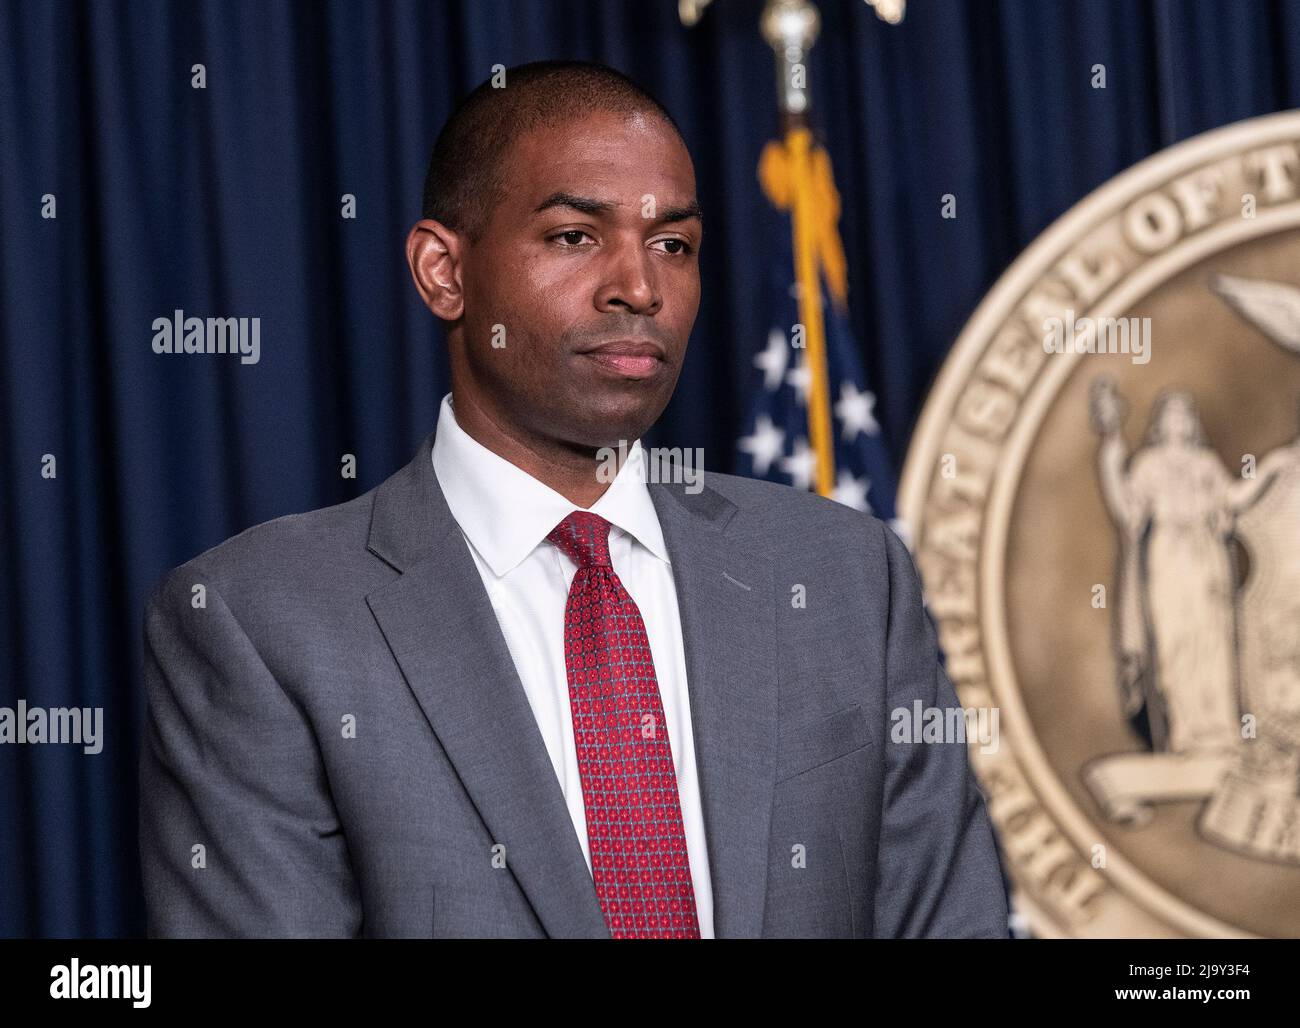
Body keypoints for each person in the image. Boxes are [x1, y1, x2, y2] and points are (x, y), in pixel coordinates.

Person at [139, 60, 1008, 939]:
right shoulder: (259, 620)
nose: (639, 286)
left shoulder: (847, 575)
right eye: (573, 236)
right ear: (444, 271)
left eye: (674, 244)